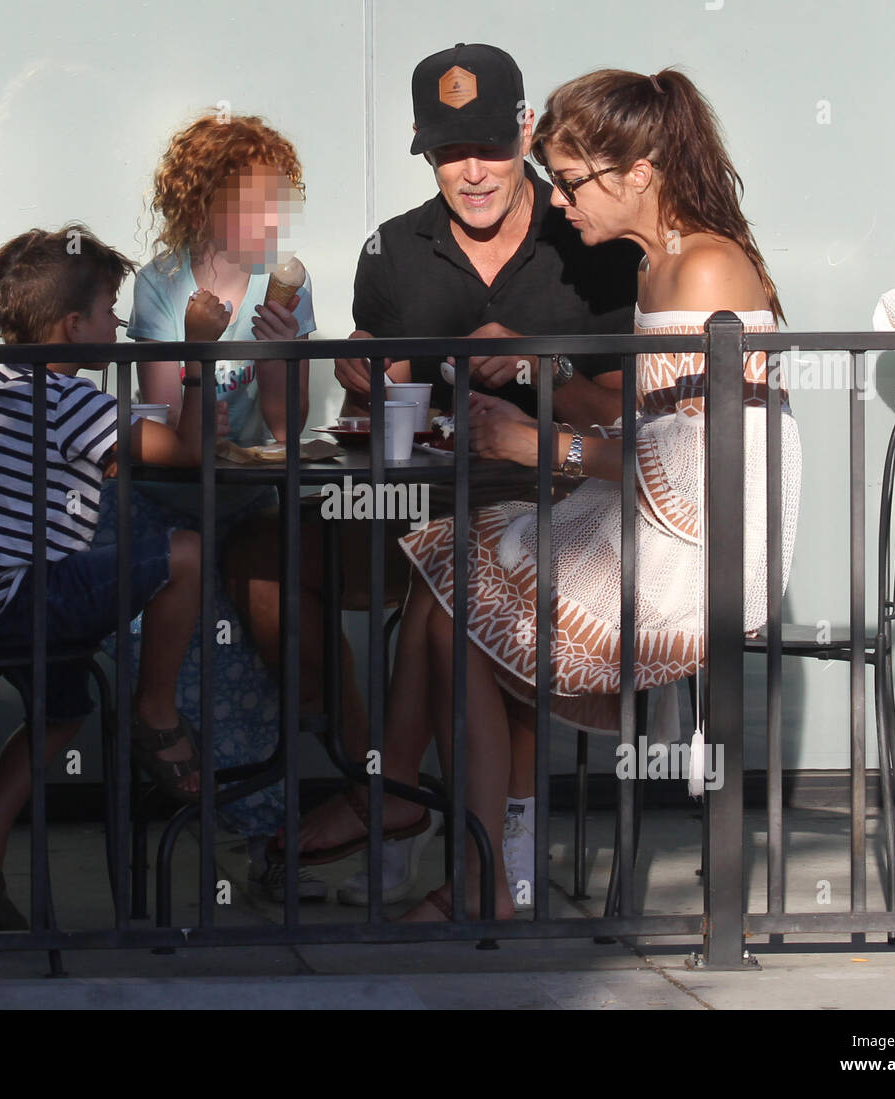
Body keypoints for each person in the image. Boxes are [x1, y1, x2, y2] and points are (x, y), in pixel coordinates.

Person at [379, 66, 802, 920]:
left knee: (455, 594)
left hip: (704, 553)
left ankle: (465, 858)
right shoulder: (662, 265)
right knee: (444, 578)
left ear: (637, 173)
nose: (561, 201)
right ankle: (476, 858)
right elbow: (653, 422)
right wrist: (546, 411)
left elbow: (698, 462)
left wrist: (539, 443)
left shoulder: (705, 271)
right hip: (663, 524)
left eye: (571, 182)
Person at [261, 43, 641, 906]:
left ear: (526, 132)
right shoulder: (392, 250)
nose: (469, 173)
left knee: (450, 585)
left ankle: (397, 801)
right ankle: (493, 845)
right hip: (437, 501)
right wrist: (368, 370)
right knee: (381, 572)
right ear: (424, 151)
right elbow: (382, 397)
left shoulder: (587, 234)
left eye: (488, 149)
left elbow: (633, 411)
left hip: (579, 499)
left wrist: (539, 368)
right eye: (445, 152)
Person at [0, 223, 230, 931]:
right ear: (73, 327)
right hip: (19, 596)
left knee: (63, 707)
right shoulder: (71, 402)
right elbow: (193, 449)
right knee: (189, 553)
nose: (118, 322)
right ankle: (156, 711)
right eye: (111, 309)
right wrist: (196, 354)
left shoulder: (4, 385)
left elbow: (99, 446)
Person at [99, 113, 328, 902]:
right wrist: (203, 348)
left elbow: (282, 427)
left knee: (274, 606)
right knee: (180, 605)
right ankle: (187, 799)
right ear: (204, 205)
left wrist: (279, 353)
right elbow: (176, 431)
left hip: (245, 503)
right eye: (255, 202)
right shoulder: (162, 284)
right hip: (167, 501)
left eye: (279, 202)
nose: (273, 220)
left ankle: (259, 800)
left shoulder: (285, 286)